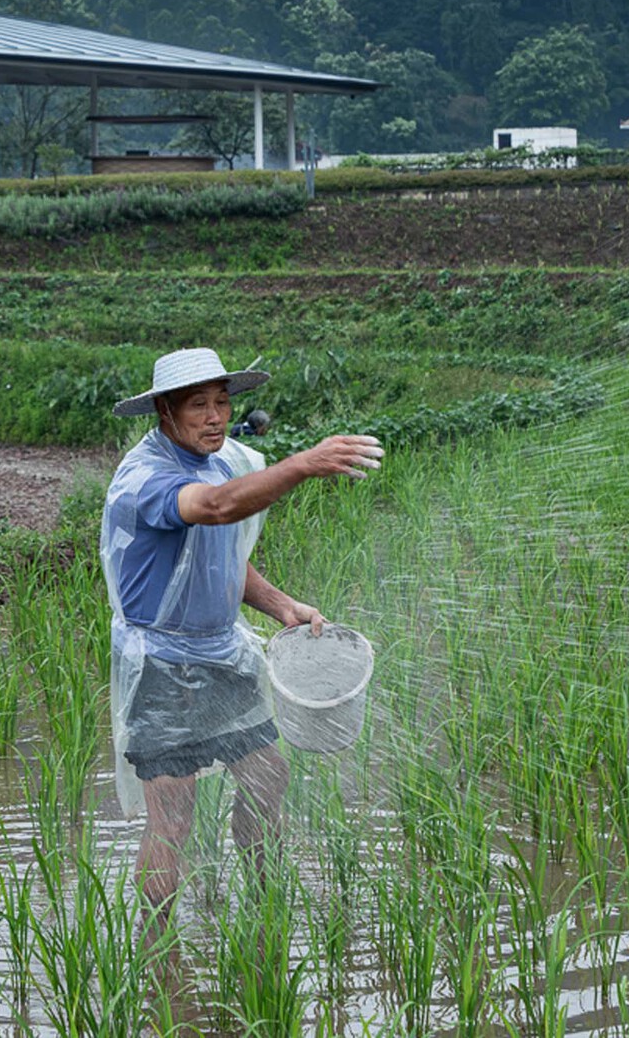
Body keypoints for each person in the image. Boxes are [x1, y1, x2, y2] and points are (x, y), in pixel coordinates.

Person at [102, 347, 382, 929]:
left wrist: (281, 605)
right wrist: (303, 463)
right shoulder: (145, 479)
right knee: (173, 815)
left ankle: (265, 907)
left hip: (221, 653)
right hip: (162, 668)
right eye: (198, 405)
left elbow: (219, 554)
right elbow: (215, 510)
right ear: (164, 411)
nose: (215, 417)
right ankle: (157, 954)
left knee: (266, 775)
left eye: (223, 403)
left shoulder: (221, 459)